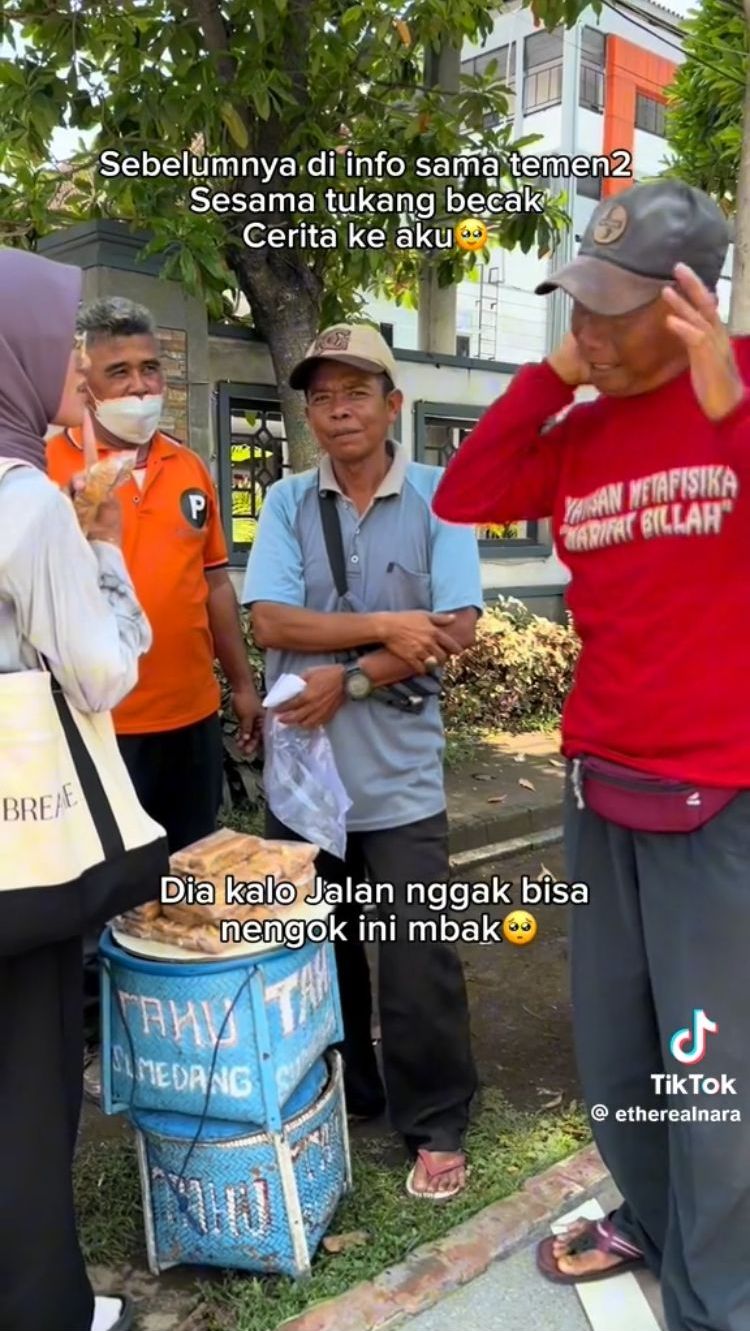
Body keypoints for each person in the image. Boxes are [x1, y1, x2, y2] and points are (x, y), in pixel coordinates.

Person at [432, 180, 750, 1330]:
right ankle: (659, 1225)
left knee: (710, 1071)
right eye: (581, 307)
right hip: (600, 782)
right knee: (620, 1055)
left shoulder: (742, 391)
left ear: (689, 303)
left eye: (614, 312)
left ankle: (719, 1300)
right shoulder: (582, 429)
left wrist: (730, 409)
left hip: (719, 796)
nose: (591, 333)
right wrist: (555, 373)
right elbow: (466, 492)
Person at [242, 324, 483, 1199]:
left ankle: (437, 1118)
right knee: (322, 953)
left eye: (355, 392)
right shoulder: (285, 503)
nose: (338, 410)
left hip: (401, 776)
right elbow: (270, 619)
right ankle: (352, 1091)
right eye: (322, 397)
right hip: (306, 782)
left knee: (419, 957)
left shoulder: (440, 498)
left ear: (393, 404)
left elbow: (455, 627)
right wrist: (387, 628)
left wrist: (347, 677)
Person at [0, 250, 164, 1331]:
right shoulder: (27, 504)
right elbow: (103, 672)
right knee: (29, 1084)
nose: (74, 364)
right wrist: (101, 543)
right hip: (22, 848)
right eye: (55, 342)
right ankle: (44, 1307)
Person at [46, 297, 264, 1091]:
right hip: (94, 725)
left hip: (189, 718)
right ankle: (90, 1039)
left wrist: (242, 685)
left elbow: (214, 586)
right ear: (86, 382)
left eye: (149, 369)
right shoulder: (44, 471)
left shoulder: (188, 468)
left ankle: (177, 1021)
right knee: (94, 889)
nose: (140, 386)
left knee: (183, 877)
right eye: (119, 372)